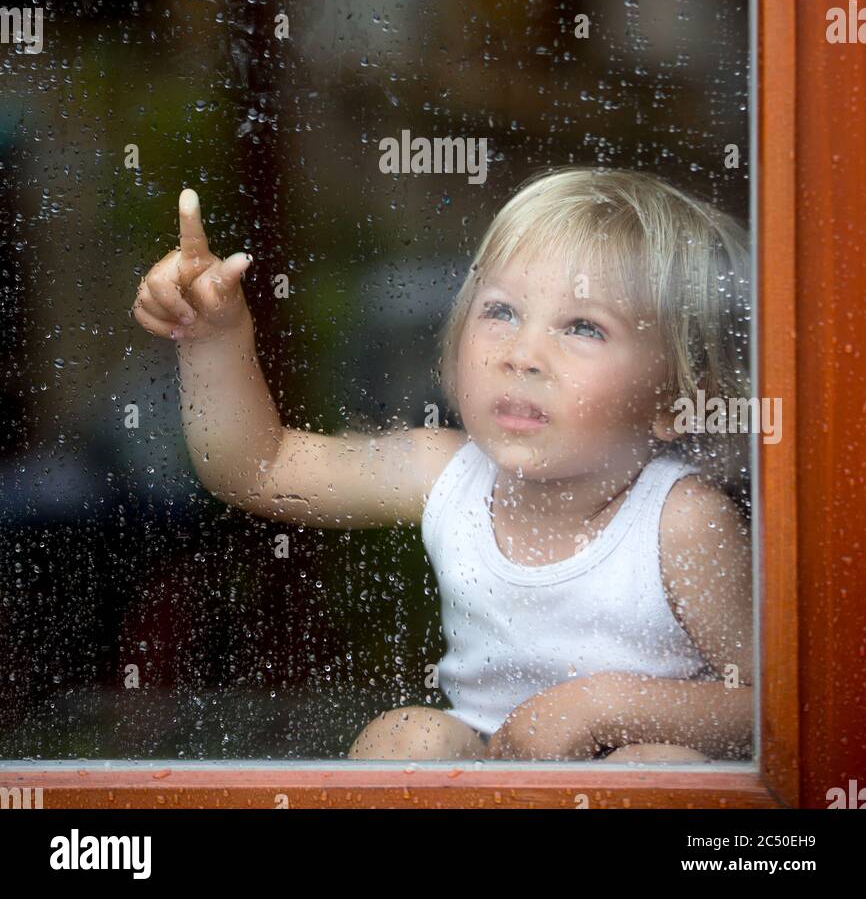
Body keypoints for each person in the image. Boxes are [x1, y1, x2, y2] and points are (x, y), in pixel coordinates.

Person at [132, 166, 753, 764]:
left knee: (655, 765)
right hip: (483, 768)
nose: (522, 353)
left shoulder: (683, 521)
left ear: (676, 397)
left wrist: (603, 708)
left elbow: (770, 708)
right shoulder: (446, 471)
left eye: (584, 326)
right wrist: (213, 338)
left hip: (629, 764)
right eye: (502, 311)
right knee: (407, 738)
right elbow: (261, 468)